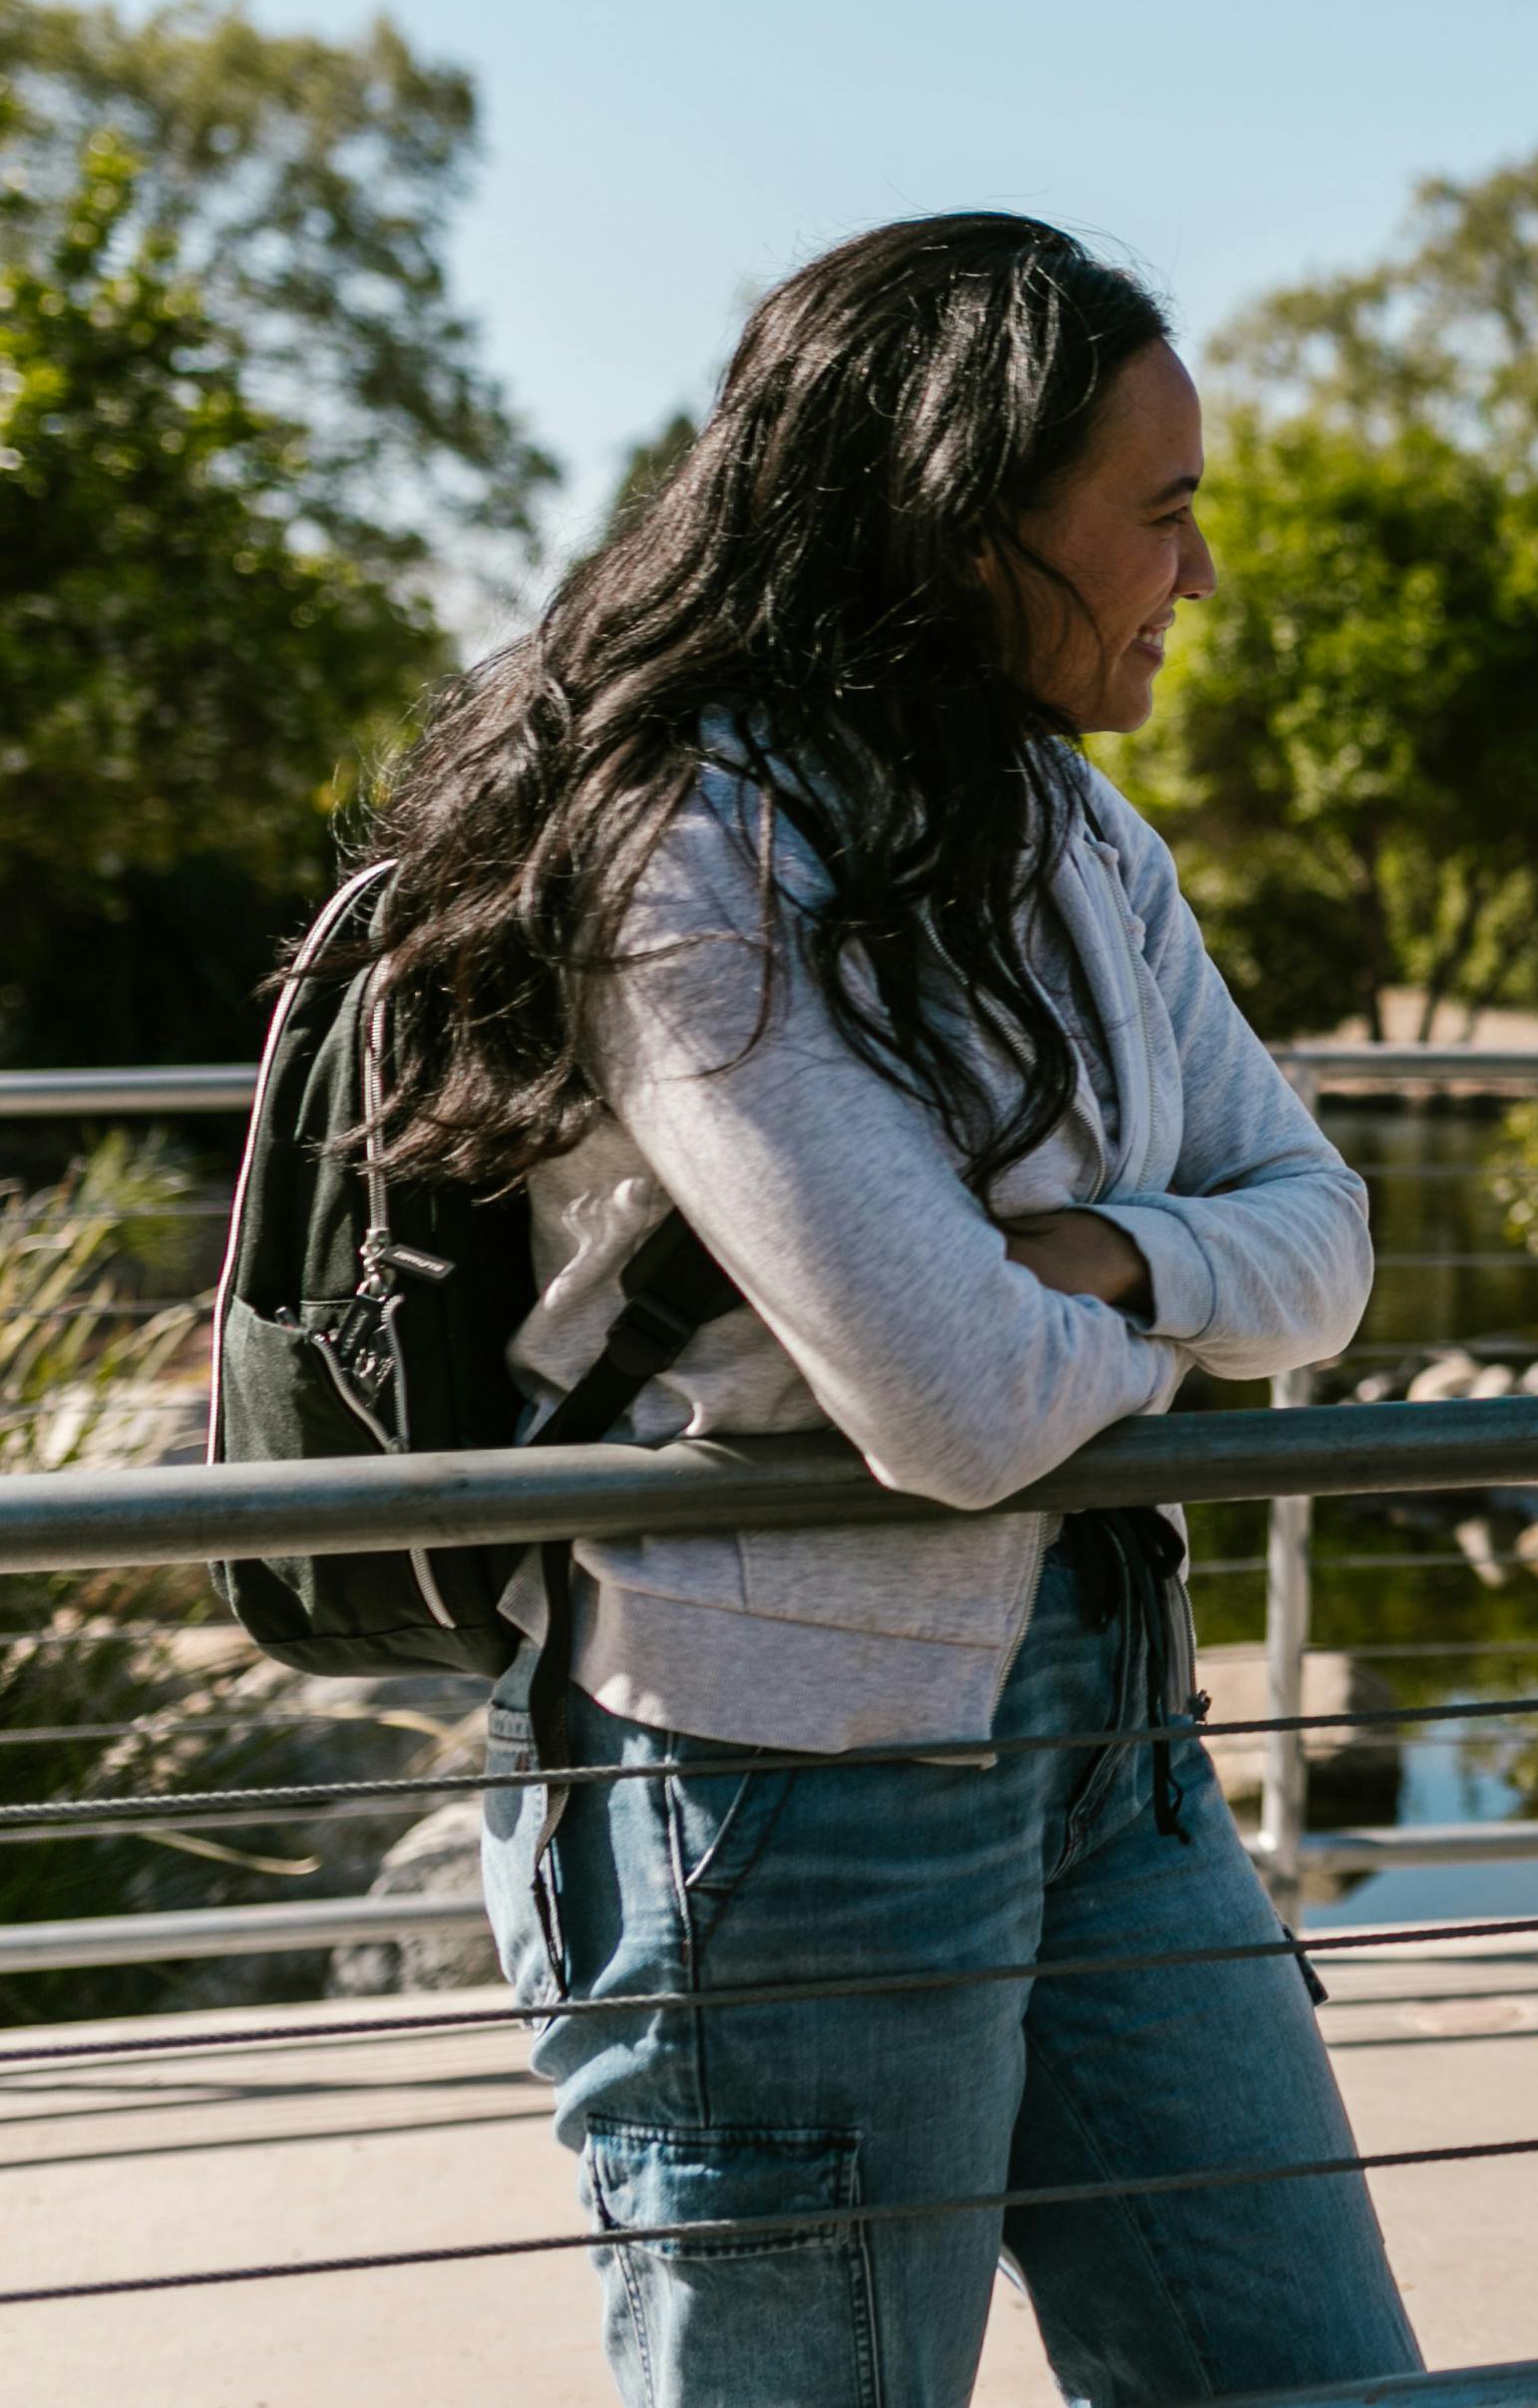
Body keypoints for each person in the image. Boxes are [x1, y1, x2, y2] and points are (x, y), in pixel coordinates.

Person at [344, 215, 1416, 2406]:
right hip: (777, 1788)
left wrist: (1115, 1264)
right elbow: (945, 1396)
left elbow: (1324, 1235)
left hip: (1108, 1737)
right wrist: (1149, 1314)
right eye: (1162, 513)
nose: (1196, 576)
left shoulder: (1070, 826)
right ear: (963, 524)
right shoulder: (692, 846)